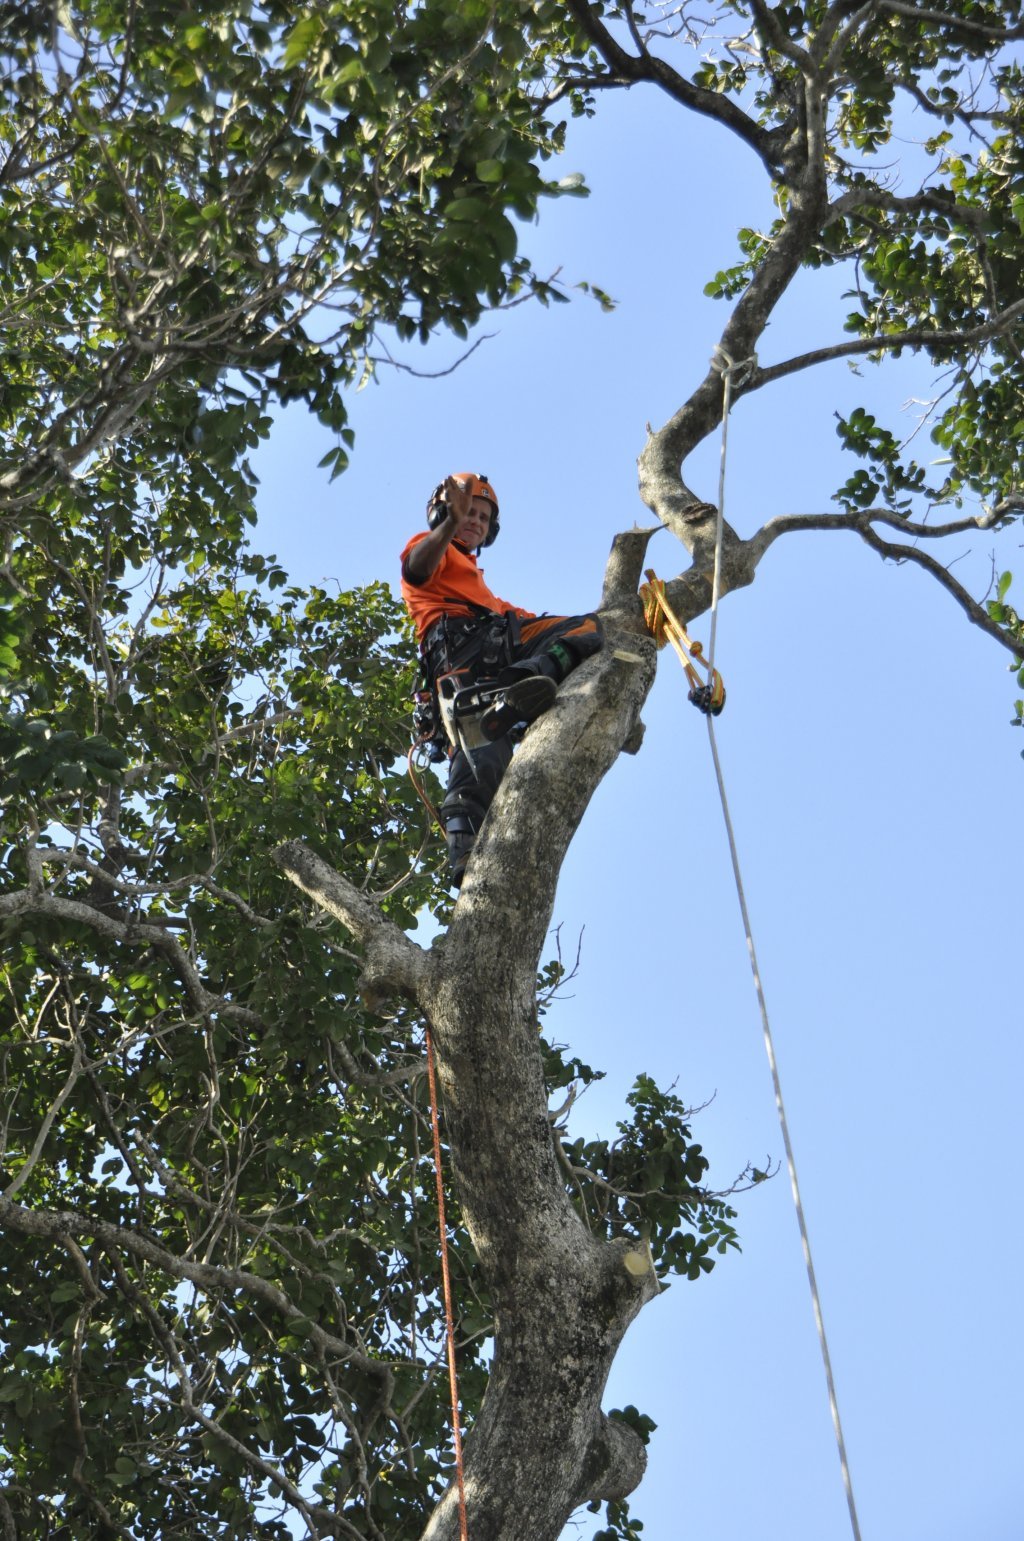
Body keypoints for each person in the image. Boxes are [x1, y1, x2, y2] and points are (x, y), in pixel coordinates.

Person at [401, 472, 603, 886]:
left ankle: (521, 687)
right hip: (461, 659)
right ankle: (462, 853)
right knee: (482, 752)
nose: (474, 521)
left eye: (482, 517)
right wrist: (447, 525)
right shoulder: (428, 552)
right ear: (443, 512)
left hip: (502, 661)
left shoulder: (487, 597)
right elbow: (415, 570)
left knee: (586, 630)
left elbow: (537, 622)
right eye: (468, 512)